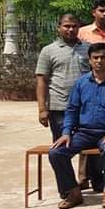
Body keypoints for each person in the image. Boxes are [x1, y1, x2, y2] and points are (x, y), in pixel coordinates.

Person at [48, 42, 105, 209]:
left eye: (103, 57)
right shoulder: (81, 83)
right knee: (56, 152)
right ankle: (73, 192)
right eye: (95, 58)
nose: (99, 61)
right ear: (89, 60)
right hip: (84, 133)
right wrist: (67, 132)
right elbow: (72, 110)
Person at [36, 14, 91, 142]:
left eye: (74, 26)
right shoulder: (48, 51)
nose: (70, 29)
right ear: (58, 28)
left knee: (89, 147)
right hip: (59, 107)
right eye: (66, 26)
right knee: (61, 148)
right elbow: (41, 81)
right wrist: (42, 109)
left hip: (85, 106)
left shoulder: (89, 49)